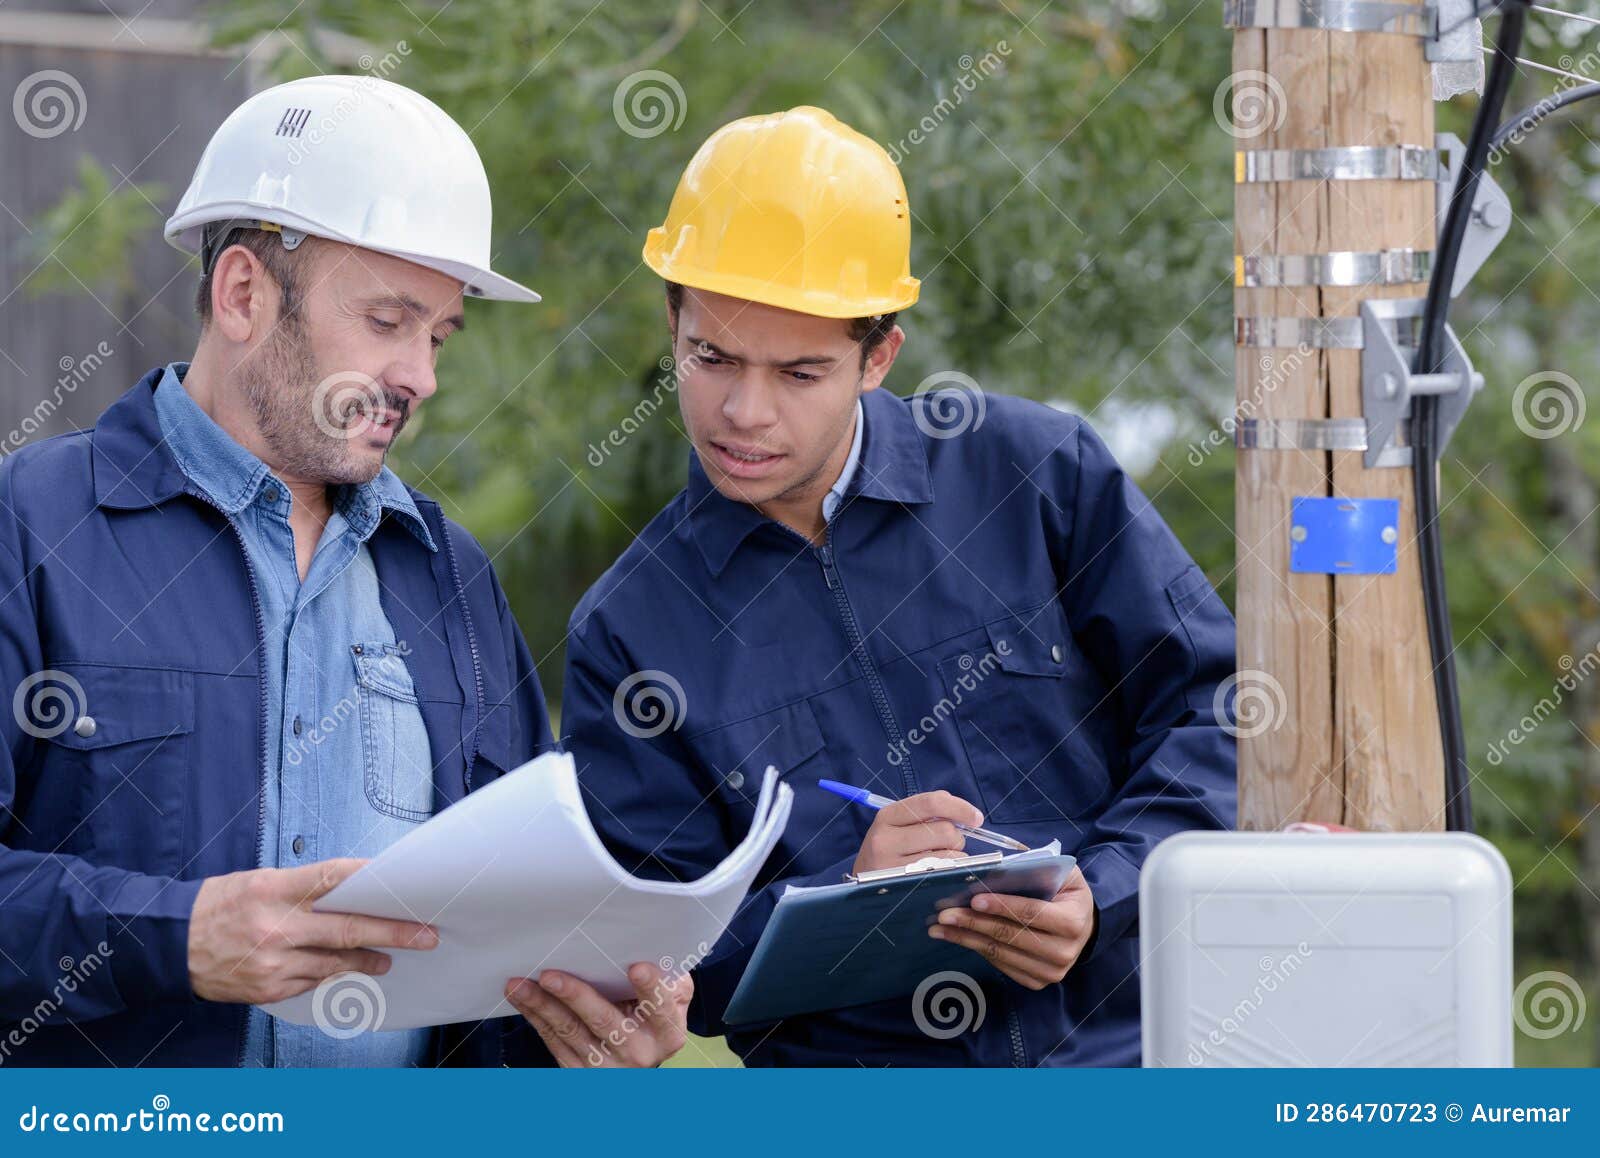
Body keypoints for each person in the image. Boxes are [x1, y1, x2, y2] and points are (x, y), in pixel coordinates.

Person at [0, 75, 687, 1068]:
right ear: (243, 294)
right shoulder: (33, 529)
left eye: (438, 335)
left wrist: (592, 1024)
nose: (422, 376)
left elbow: (509, 947)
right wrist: (175, 937)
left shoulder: (453, 584)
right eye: (387, 321)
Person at [562, 106, 1238, 1066]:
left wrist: (1109, 888)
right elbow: (656, 956)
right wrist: (848, 899)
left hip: (1139, 1060)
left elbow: (1221, 709)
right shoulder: (629, 631)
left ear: (878, 357)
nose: (744, 412)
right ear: (673, 323)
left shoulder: (1035, 474)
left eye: (801, 373)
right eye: (712, 358)